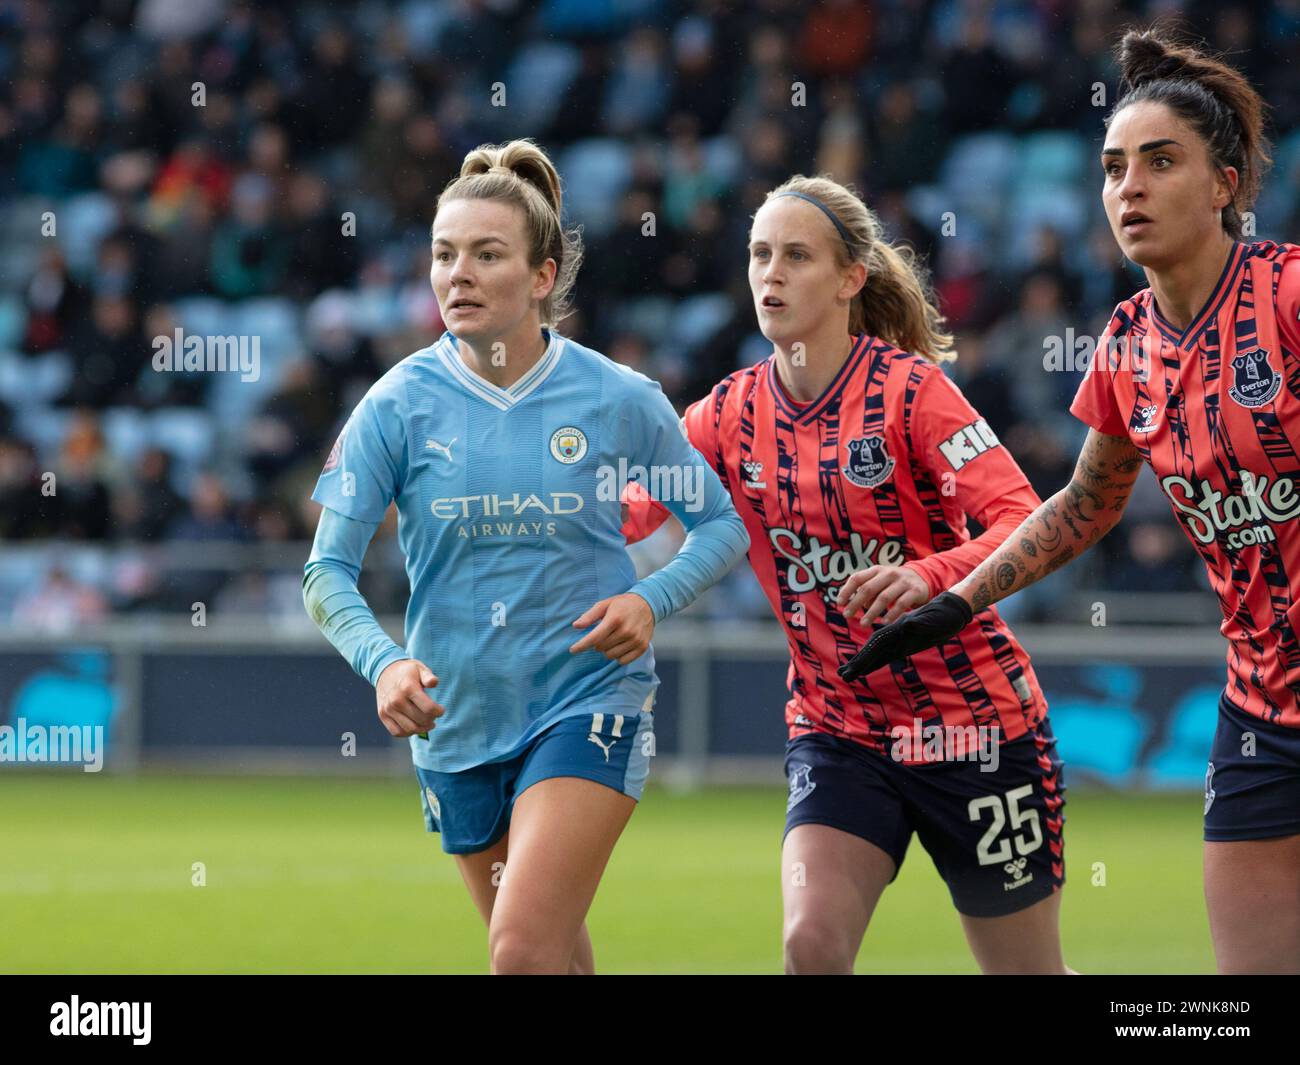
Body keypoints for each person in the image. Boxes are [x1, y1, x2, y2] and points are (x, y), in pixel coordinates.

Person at [840, 27, 1300, 975]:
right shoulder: (1128, 345)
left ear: (1224, 185)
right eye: (1113, 167)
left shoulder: (1289, 294)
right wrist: (955, 597)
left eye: (1160, 162)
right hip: (1262, 712)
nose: (1129, 186)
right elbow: (1082, 507)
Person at [303, 139, 749, 974]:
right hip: (455, 720)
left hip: (588, 700)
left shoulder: (619, 399)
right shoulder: (395, 406)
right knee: (552, 959)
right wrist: (386, 665)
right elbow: (325, 572)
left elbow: (721, 525)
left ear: (542, 277)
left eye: (486, 254)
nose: (457, 274)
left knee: (517, 948)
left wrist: (650, 599)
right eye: (443, 254)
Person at [624, 174, 1072, 973]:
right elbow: (626, 514)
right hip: (840, 733)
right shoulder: (723, 414)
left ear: (849, 278)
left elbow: (1024, 520)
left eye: (796, 256)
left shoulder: (913, 394)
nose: (771, 273)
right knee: (810, 945)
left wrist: (932, 575)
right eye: (761, 254)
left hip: (975, 727)